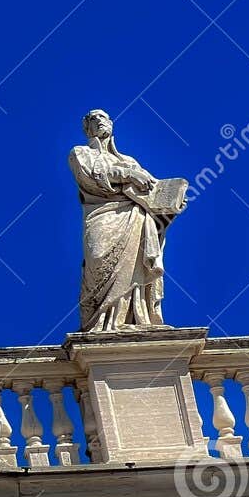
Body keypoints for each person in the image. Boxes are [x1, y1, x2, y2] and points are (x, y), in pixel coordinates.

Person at [71, 109, 183, 332]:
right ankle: (101, 323)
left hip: (137, 218)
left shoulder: (129, 160)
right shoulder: (80, 153)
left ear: (111, 124)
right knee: (97, 260)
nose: (100, 121)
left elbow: (150, 196)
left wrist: (170, 207)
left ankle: (134, 319)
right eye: (94, 118)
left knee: (137, 264)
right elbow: (92, 176)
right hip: (103, 216)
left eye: (104, 117)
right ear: (87, 128)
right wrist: (129, 176)